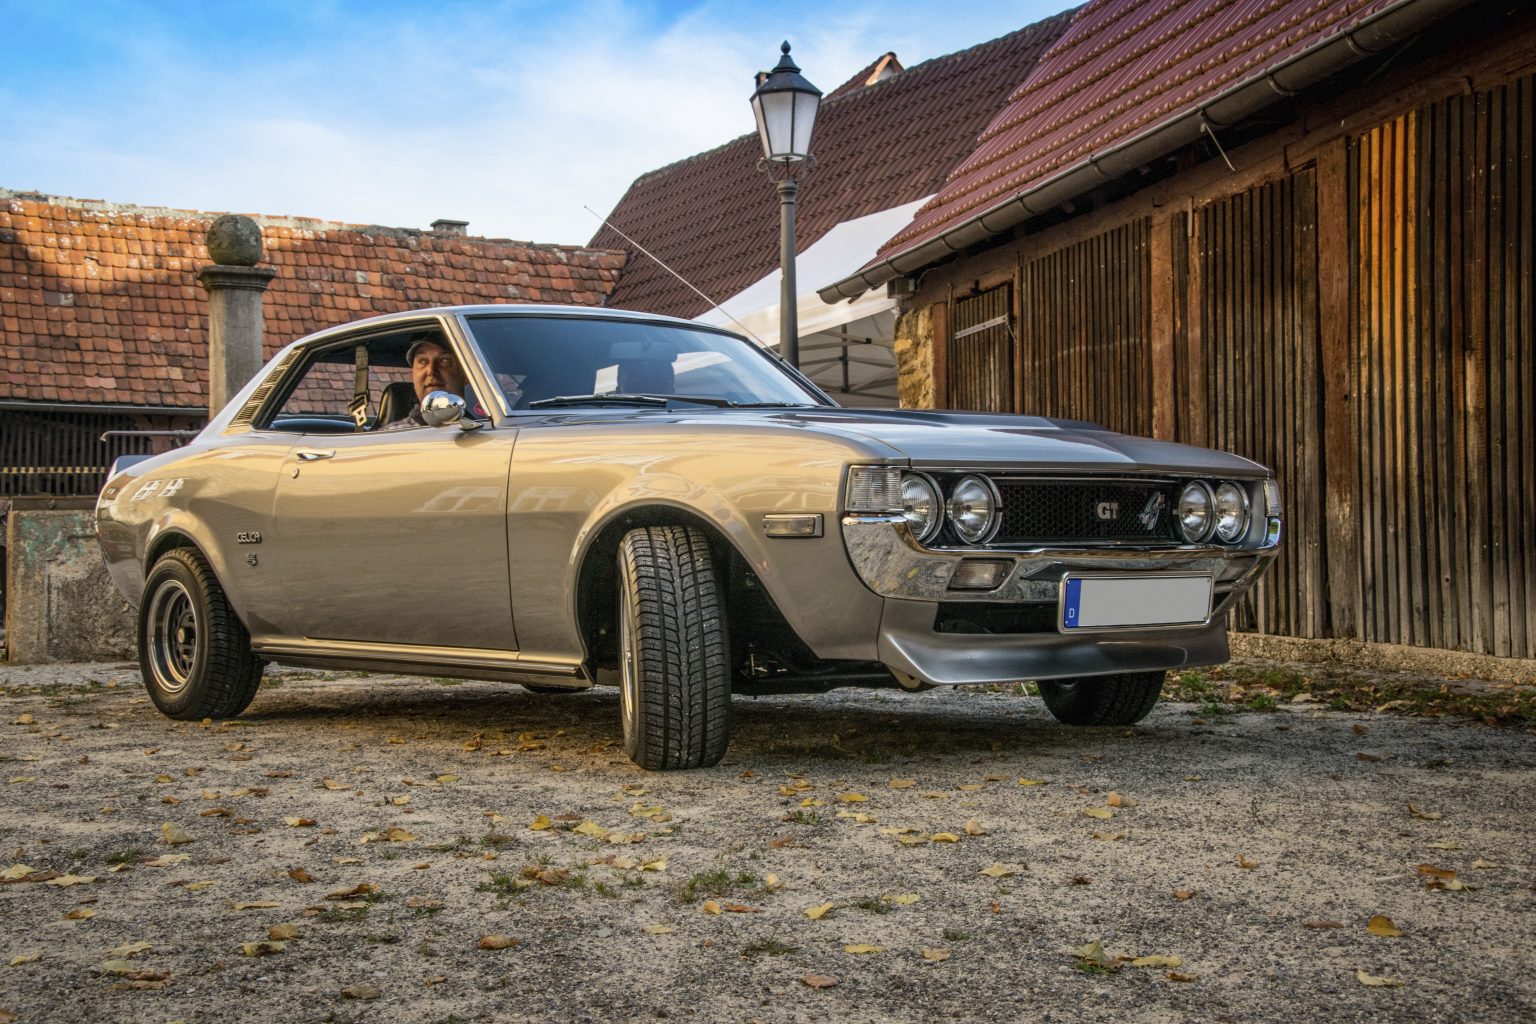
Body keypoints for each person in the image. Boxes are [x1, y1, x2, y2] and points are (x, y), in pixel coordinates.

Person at [381, 333, 469, 429]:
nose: (430, 371)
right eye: (422, 361)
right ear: (413, 374)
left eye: (444, 360)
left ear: (467, 375)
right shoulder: (393, 437)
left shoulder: (484, 425)